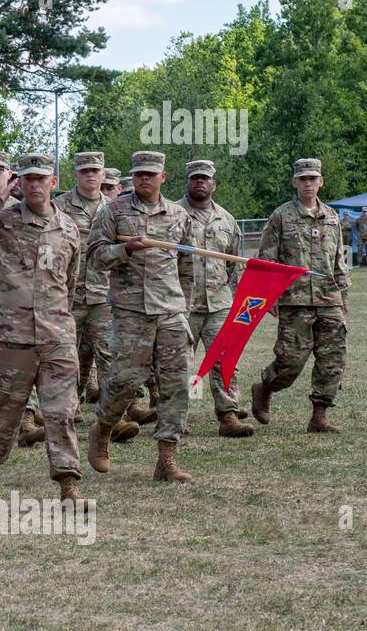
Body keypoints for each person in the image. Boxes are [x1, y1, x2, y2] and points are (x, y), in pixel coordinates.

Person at [0, 155, 87, 506]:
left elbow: (69, 281)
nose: (34, 185)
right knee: (3, 412)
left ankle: (69, 485)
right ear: (17, 183)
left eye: (41, 178)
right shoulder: (1, 221)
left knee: (61, 412)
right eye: (27, 179)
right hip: (12, 336)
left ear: (53, 182)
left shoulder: (69, 228)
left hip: (57, 334)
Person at [86, 150, 195, 483]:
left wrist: (184, 305)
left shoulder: (178, 215)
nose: (144, 178)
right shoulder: (113, 211)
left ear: (164, 176)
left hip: (171, 310)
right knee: (126, 380)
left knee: (177, 383)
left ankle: (166, 459)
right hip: (131, 311)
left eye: (151, 173)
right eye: (139, 174)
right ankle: (103, 427)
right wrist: (125, 249)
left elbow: (186, 266)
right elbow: (94, 256)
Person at [252, 158, 350, 433]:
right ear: (294, 182)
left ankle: (319, 416)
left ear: (321, 182)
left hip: (328, 298)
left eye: (313, 178)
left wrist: (343, 294)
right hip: (294, 300)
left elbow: (338, 259)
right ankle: (265, 387)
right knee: (290, 361)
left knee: (332, 360)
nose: (308, 183)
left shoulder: (332, 216)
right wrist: (268, 296)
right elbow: (267, 260)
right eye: (302, 179)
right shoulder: (281, 216)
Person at [178, 160, 255, 437]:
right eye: (195, 178)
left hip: (219, 304)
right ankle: (179, 417)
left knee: (225, 359)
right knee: (183, 363)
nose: (200, 182)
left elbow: (234, 265)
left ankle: (228, 415)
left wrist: (234, 300)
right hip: (183, 304)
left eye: (205, 178)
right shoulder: (175, 215)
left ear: (214, 184)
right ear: (187, 182)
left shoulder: (227, 220)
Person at [52, 152, 113, 415]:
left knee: (108, 354)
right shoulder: (59, 206)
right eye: (84, 170)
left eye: (95, 170)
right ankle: (69, 406)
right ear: (75, 174)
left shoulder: (114, 208)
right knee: (67, 354)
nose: (90, 175)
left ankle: (112, 412)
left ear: (102, 174)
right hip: (68, 294)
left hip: (104, 294)